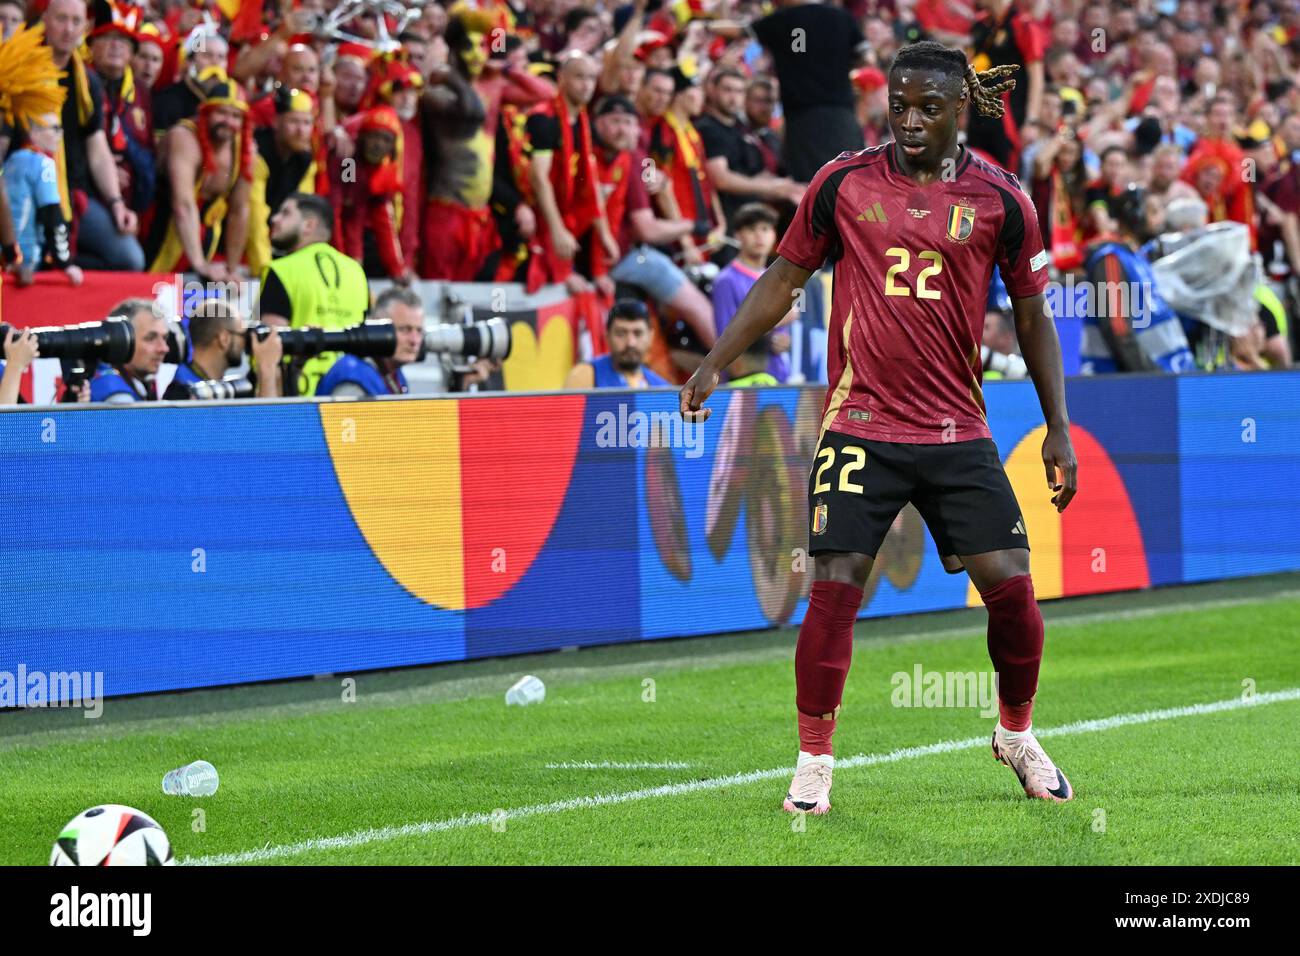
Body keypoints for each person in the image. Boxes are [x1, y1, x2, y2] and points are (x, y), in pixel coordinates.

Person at [679, 41, 1078, 815]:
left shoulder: (1003, 199)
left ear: (961, 109)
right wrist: (716, 360)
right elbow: (784, 279)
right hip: (860, 424)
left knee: (1014, 590)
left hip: (958, 428)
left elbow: (1032, 316)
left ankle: (1016, 733)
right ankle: (814, 761)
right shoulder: (842, 182)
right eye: (900, 105)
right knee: (833, 589)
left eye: (930, 107)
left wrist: (1058, 424)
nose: (911, 121)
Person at [42, 0, 144, 272]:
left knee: (130, 258)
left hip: (75, 195)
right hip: (28, 191)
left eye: (76, 22)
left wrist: (116, 204)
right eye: (61, 19)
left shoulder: (87, 81)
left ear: (85, 28)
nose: (68, 29)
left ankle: (66, 269)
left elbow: (97, 147)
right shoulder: (22, 69)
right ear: (45, 21)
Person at [145, 69, 252, 279]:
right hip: (163, 226)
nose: (228, 122)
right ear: (205, 113)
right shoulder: (184, 137)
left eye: (236, 116)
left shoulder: (245, 149)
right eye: (221, 112)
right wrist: (199, 263)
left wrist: (231, 269)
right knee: (152, 297)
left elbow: (240, 211)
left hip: (205, 235)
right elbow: (183, 203)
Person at [259, 193, 369, 396]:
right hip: (346, 390)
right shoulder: (356, 271)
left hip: (298, 394)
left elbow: (271, 348)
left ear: (308, 225)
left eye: (286, 213)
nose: (274, 219)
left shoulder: (281, 270)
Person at [1080, 186, 1194, 375]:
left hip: (1162, 373)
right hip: (1122, 382)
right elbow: (1117, 327)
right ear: (1135, 215)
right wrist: (1149, 374)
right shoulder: (1110, 258)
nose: (1161, 219)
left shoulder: (1138, 258)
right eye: (1153, 212)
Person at [711, 202, 794, 383]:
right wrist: (774, 321)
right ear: (738, 235)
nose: (759, 236)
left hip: (779, 378)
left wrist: (784, 341)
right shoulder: (726, 281)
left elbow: (783, 333)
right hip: (745, 383)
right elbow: (727, 339)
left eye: (765, 229)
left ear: (774, 235)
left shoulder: (778, 279)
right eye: (751, 229)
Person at [162, 298, 282, 399]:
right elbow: (266, 424)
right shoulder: (185, 391)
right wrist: (267, 368)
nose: (245, 342)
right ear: (224, 339)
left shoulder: (208, 383)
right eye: (243, 335)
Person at [316, 286, 424, 397]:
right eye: (405, 329)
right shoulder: (354, 378)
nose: (414, 340)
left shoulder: (394, 374)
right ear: (376, 328)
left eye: (419, 330)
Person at [564, 298, 668, 389]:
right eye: (621, 333)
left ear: (651, 337)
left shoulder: (662, 389)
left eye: (638, 333)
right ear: (607, 336)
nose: (630, 343)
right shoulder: (585, 376)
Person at [89, 298, 170, 403]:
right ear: (120, 342)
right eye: (150, 338)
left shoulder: (132, 382)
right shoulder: (117, 397)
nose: (164, 348)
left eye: (164, 338)